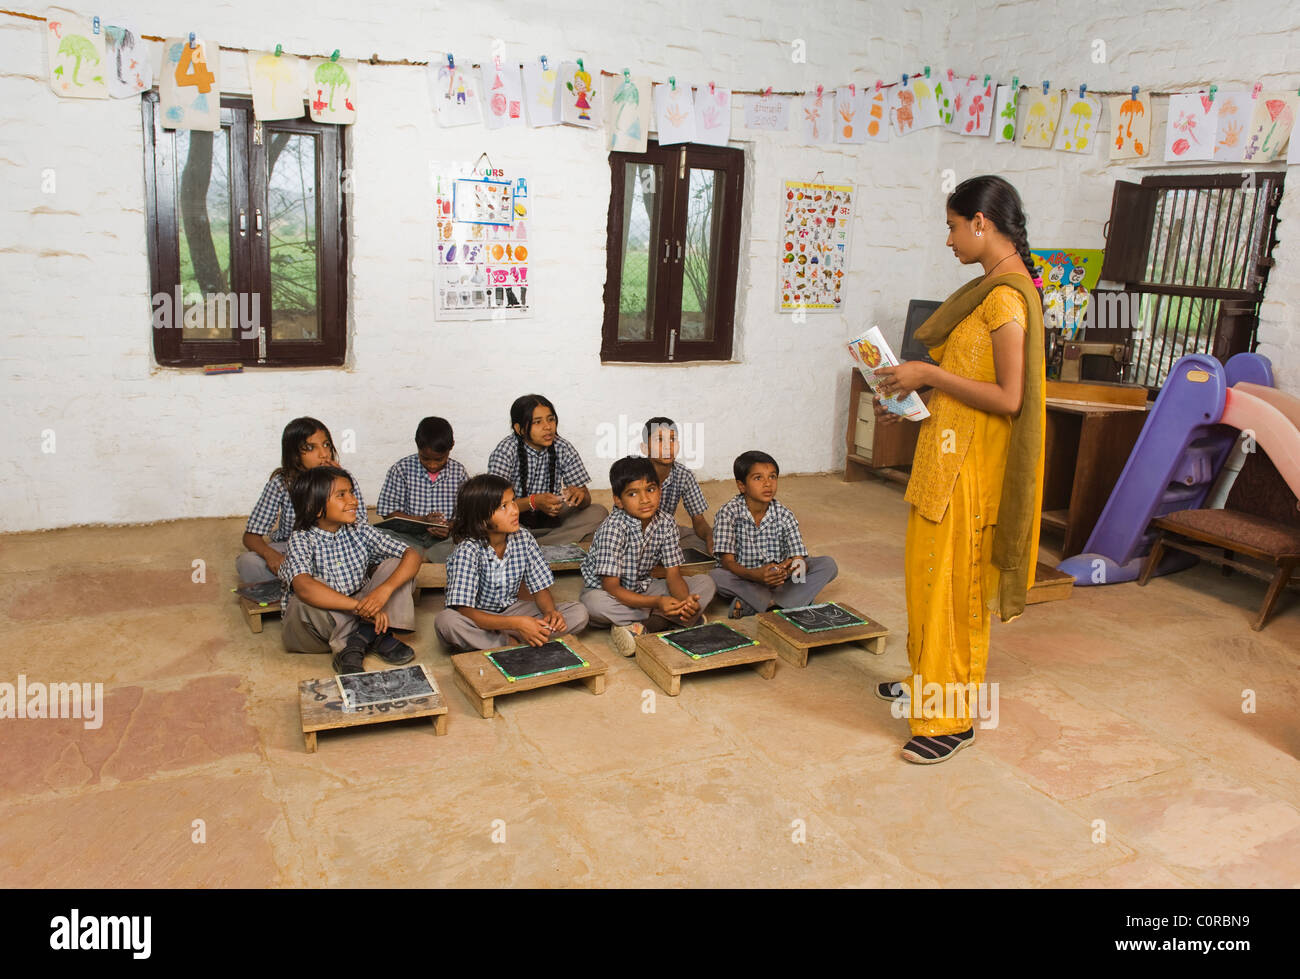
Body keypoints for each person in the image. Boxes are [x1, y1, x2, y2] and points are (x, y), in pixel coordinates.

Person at [872, 174, 1046, 765]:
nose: (948, 239)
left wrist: (929, 375)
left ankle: (949, 720)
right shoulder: (987, 288)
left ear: (981, 222)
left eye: (952, 225)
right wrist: (909, 397)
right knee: (928, 577)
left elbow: (1009, 397)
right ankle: (929, 680)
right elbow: (968, 387)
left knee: (951, 586)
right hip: (945, 455)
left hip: (970, 469)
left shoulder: (1005, 297)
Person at [279, 466, 420, 674]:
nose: (353, 500)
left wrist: (384, 591)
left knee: (396, 566)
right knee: (305, 595)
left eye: (351, 492)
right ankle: (369, 635)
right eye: (341, 495)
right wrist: (358, 607)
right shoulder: (301, 539)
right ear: (316, 507)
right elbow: (305, 588)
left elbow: (412, 554)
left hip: (360, 607)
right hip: (320, 626)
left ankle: (356, 644)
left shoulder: (358, 528)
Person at [579, 456, 716, 658]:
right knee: (593, 604)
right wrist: (658, 603)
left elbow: (673, 575)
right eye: (633, 493)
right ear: (618, 500)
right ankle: (672, 620)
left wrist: (685, 601)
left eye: (650, 490)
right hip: (611, 593)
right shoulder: (613, 529)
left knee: (705, 583)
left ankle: (646, 627)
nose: (644, 500)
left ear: (660, 489)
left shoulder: (666, 522)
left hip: (645, 587)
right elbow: (611, 587)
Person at [435, 474, 589, 652]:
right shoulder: (467, 550)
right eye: (503, 507)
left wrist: (550, 613)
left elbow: (540, 589)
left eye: (513, 501)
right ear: (481, 518)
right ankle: (510, 642)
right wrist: (517, 624)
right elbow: (465, 611)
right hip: (479, 618)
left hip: (514, 610)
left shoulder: (523, 537)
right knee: (447, 622)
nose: (515, 510)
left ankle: (511, 640)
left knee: (578, 613)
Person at [708, 450, 838, 618]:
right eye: (758, 478)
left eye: (772, 477)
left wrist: (784, 570)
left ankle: (762, 604)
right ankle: (788, 604)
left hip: (779, 580)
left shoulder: (785, 515)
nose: (767, 484)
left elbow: (797, 556)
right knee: (716, 576)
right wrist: (756, 575)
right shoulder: (728, 514)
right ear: (741, 485)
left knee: (827, 565)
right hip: (745, 577)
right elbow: (728, 562)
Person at [237, 417, 365, 585]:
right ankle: (312, 584)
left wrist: (339, 487)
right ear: (295, 455)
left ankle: (307, 584)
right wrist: (271, 555)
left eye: (326, 445)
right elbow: (251, 537)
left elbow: (361, 529)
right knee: (248, 562)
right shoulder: (282, 483)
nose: (323, 454)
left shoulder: (344, 479)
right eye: (310, 448)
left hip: (338, 548)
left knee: (373, 555)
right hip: (293, 550)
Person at [486, 394, 608, 544]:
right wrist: (534, 502)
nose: (548, 427)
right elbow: (494, 506)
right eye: (537, 422)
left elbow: (586, 500)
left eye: (551, 419)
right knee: (495, 524)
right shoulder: (505, 451)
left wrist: (578, 496)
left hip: (554, 520)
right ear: (519, 429)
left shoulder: (563, 447)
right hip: (517, 522)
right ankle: (544, 545)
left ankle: (534, 547)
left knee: (598, 512)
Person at [375, 416, 468, 563]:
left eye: (439, 459)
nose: (432, 465)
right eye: (425, 458)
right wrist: (422, 520)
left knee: (473, 538)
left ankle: (419, 556)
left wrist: (448, 527)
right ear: (417, 446)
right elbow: (388, 514)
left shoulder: (458, 472)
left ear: (451, 447)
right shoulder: (401, 469)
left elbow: (466, 515)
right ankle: (429, 555)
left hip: (444, 539)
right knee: (377, 534)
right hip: (409, 537)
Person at [643, 417, 713, 553]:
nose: (667, 446)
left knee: (709, 539)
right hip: (636, 536)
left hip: (665, 532)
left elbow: (699, 519)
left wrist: (710, 537)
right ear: (645, 448)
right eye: (659, 440)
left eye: (672, 439)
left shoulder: (684, 475)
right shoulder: (634, 473)